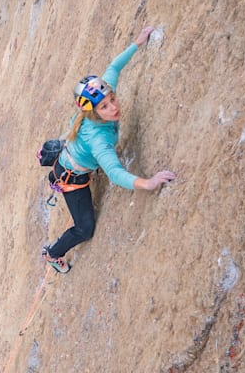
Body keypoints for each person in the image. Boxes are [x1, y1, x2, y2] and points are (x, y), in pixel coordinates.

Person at [41, 25, 176, 274]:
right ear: (93, 112)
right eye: (105, 106)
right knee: (85, 229)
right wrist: (148, 183)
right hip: (73, 178)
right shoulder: (98, 139)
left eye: (112, 99)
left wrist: (137, 43)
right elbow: (114, 172)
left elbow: (113, 68)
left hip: (73, 158)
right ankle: (53, 254)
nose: (113, 108)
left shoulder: (97, 102)